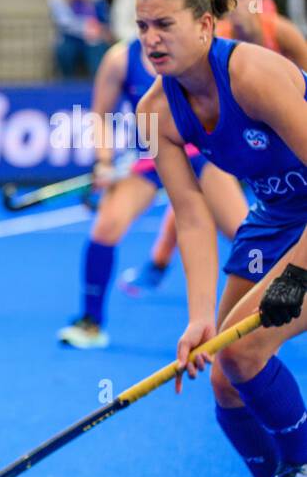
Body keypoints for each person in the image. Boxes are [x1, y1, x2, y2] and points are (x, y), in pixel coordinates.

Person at [135, 0, 307, 477]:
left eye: (165, 24)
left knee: (246, 351)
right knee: (223, 372)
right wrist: (197, 318)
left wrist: (298, 273)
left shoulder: (252, 74)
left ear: (206, 24)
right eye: (142, 27)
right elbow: (190, 215)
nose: (151, 39)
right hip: (278, 213)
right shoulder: (155, 110)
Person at [57, 36, 247, 348]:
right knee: (106, 226)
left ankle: (259, 322)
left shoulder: (201, 53)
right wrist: (104, 161)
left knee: (244, 235)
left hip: (203, 156)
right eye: (143, 21)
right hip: (150, 157)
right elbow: (100, 115)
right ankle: (90, 324)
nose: (152, 30)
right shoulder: (119, 59)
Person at [51, 0, 113, 78]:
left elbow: (103, 17)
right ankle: (67, 83)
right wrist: (87, 27)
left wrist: (101, 29)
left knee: (98, 50)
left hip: (94, 38)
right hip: (70, 38)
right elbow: (65, 23)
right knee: (65, 51)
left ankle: (97, 81)